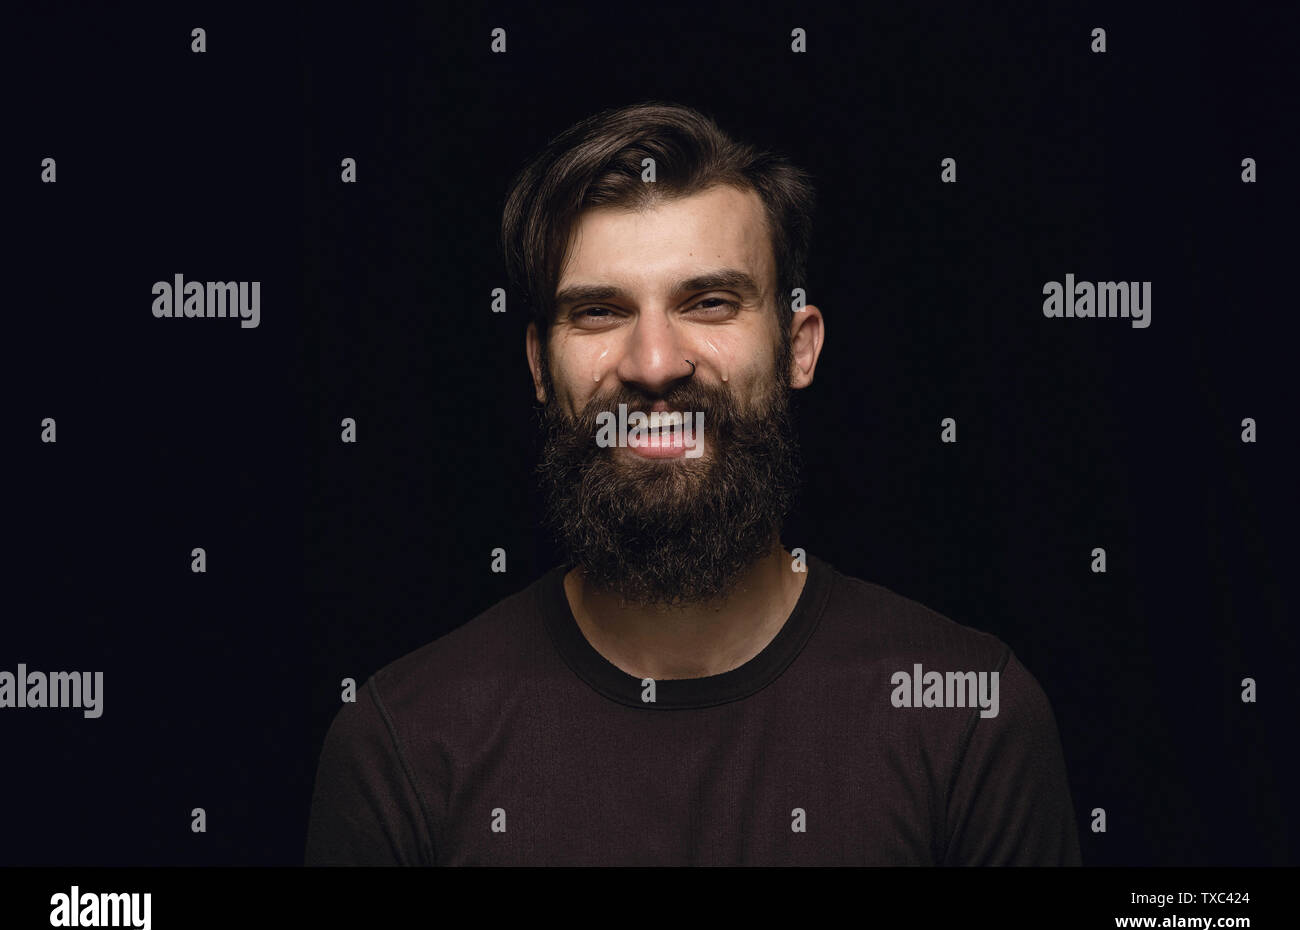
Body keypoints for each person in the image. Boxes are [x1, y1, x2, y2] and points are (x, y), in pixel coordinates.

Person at [305, 102, 1081, 865]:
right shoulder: (405, 743)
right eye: (600, 312)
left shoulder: (968, 715)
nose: (654, 363)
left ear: (798, 346)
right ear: (541, 366)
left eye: (709, 303)